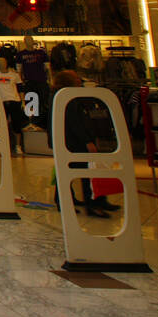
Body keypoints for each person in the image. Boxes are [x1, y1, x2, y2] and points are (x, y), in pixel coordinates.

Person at [51, 69, 114, 217]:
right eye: (76, 78)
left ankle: (69, 200)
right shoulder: (66, 97)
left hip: (68, 140)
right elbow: (74, 122)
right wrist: (87, 141)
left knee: (71, 170)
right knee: (83, 171)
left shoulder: (65, 95)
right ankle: (91, 203)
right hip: (72, 141)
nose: (80, 80)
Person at [0, 56, 24, 155]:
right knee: (1, 124)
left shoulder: (14, 75)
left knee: (16, 125)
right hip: (0, 102)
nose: (1, 64)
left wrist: (22, 101)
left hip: (14, 100)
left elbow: (20, 88)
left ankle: (18, 146)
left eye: (2, 62)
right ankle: (1, 145)